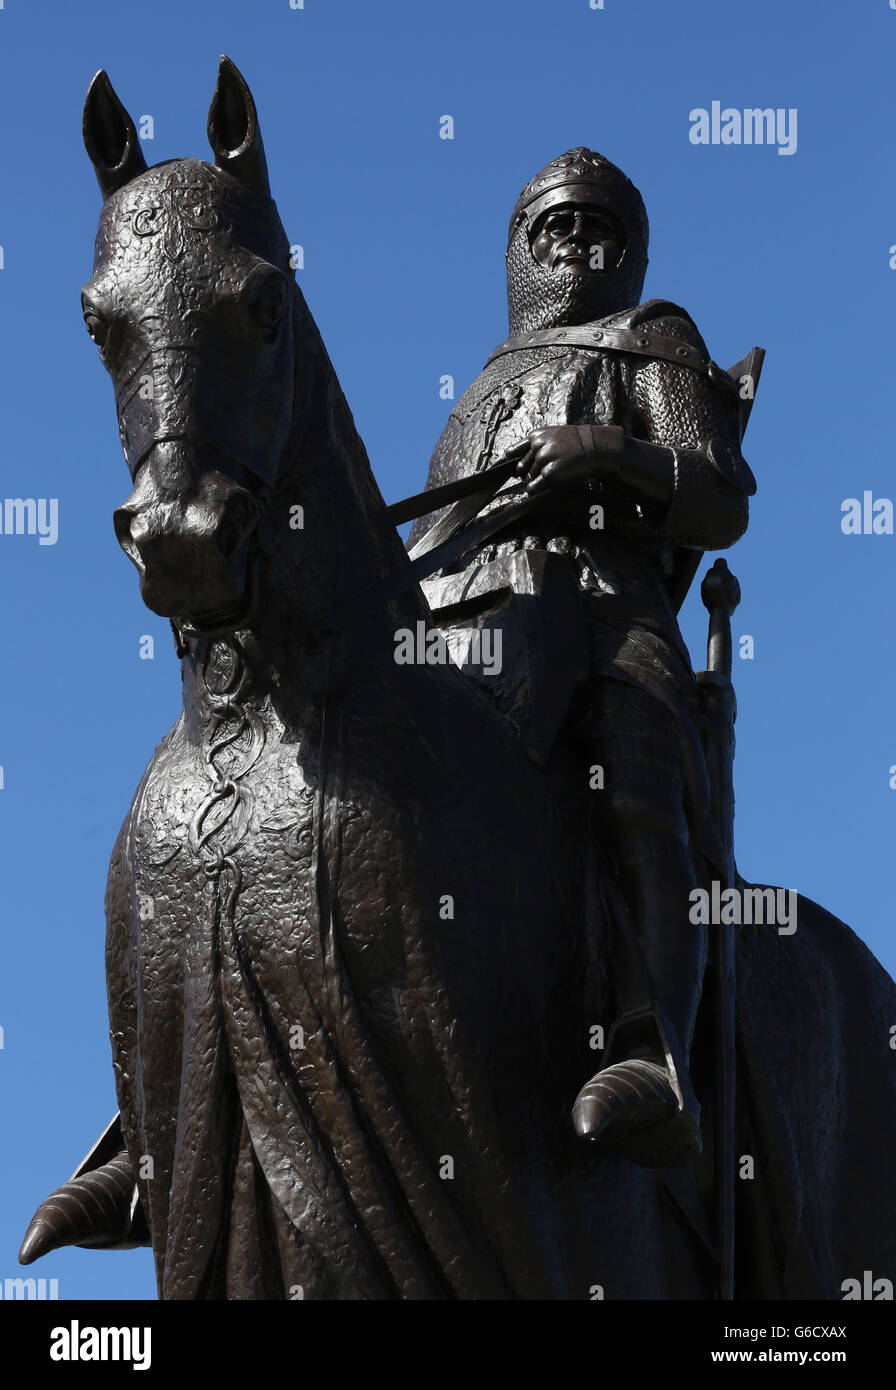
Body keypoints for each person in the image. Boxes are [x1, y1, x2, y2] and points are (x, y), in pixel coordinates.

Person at [408, 147, 757, 1167]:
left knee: (638, 782)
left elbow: (720, 497)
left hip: (602, 605)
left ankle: (653, 1048)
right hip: (449, 626)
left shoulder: (649, 336)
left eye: (593, 224)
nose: (570, 239)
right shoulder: (478, 385)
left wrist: (603, 453)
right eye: (550, 224)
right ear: (518, 249)